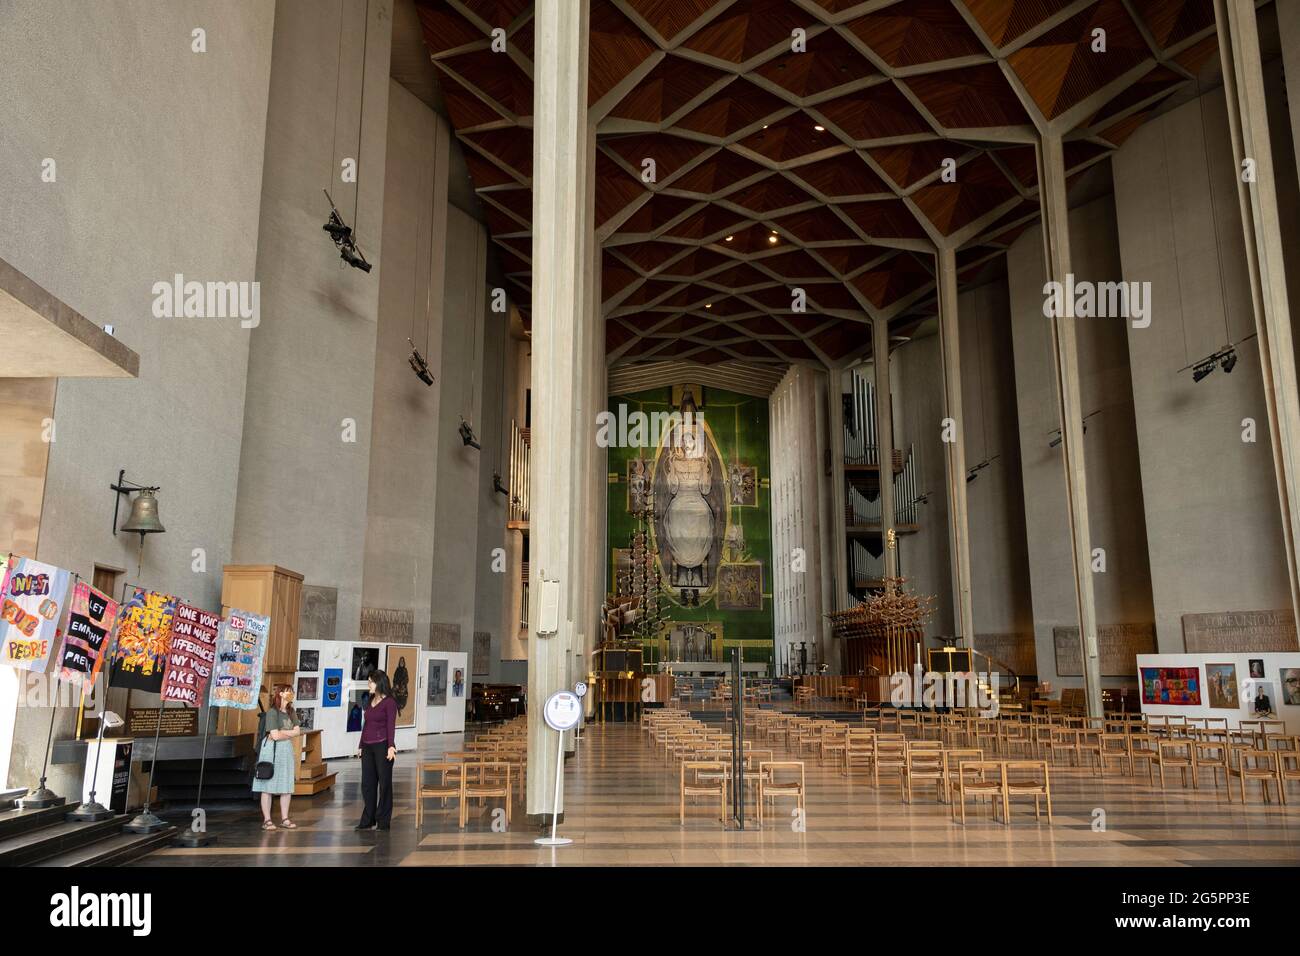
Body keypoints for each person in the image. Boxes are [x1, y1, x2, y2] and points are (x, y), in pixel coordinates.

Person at [254, 684, 302, 830]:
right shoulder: (272, 712)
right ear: (280, 694)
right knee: (268, 785)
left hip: (286, 749)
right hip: (272, 750)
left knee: (286, 785)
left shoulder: (290, 711)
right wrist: (288, 733)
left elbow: (298, 731)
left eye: (291, 692)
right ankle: (267, 820)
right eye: (288, 691)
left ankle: (285, 818)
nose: (291, 694)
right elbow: (274, 735)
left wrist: (282, 733)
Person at [355, 668, 398, 831]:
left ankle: (383, 820)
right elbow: (366, 724)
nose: (368, 685)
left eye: (370, 682)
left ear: (379, 683)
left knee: (384, 783)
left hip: (382, 745)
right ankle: (368, 819)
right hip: (367, 745)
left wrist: (391, 746)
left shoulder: (390, 703)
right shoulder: (370, 700)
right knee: (367, 784)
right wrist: (360, 745)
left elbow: (390, 726)